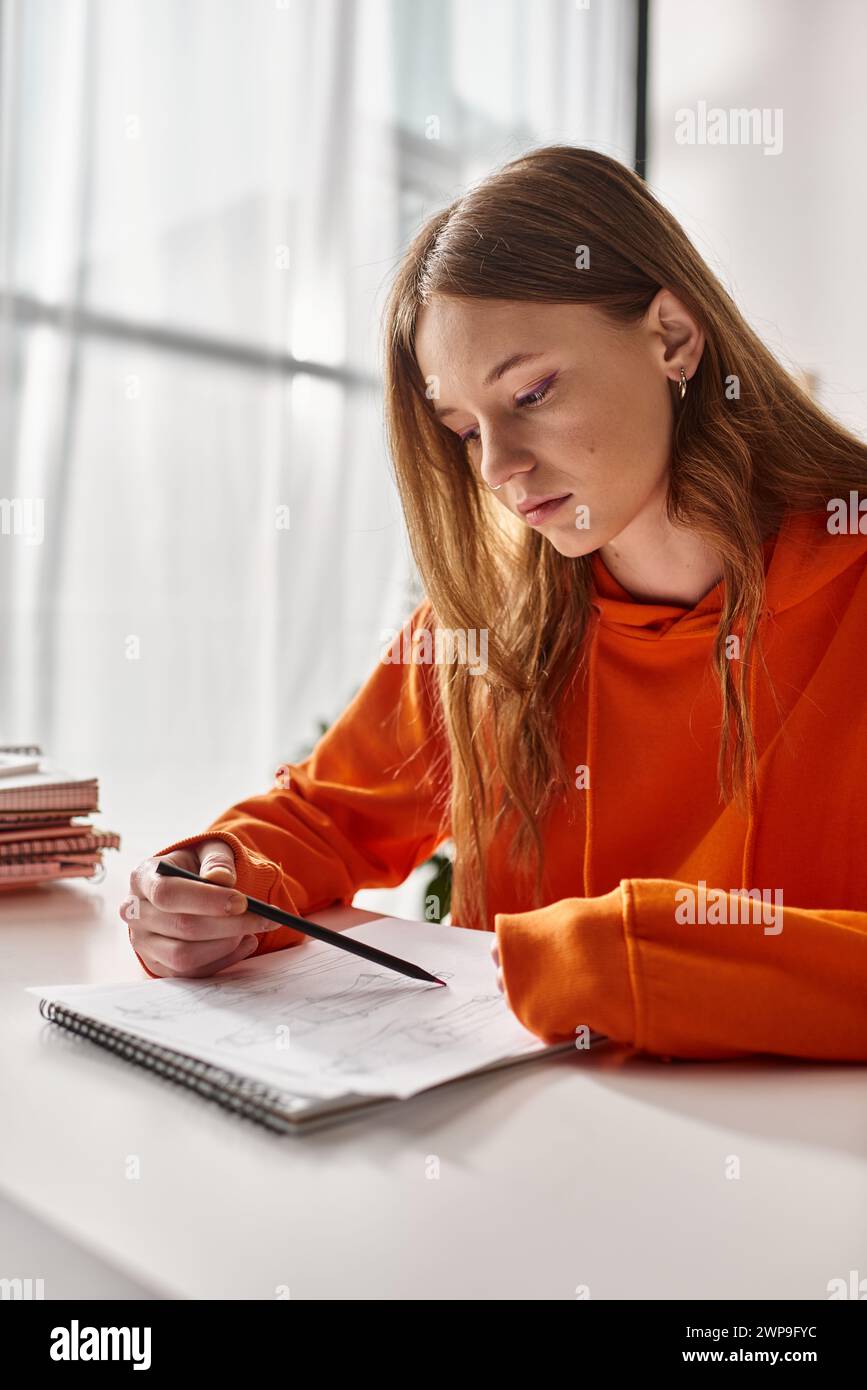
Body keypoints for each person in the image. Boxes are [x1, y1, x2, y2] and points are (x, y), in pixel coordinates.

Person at [122, 145, 867, 1061]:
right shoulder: (484, 630)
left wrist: (633, 961)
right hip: (515, 1170)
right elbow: (321, 821)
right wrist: (215, 887)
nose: (497, 467)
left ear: (672, 336)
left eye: (532, 392)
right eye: (465, 429)